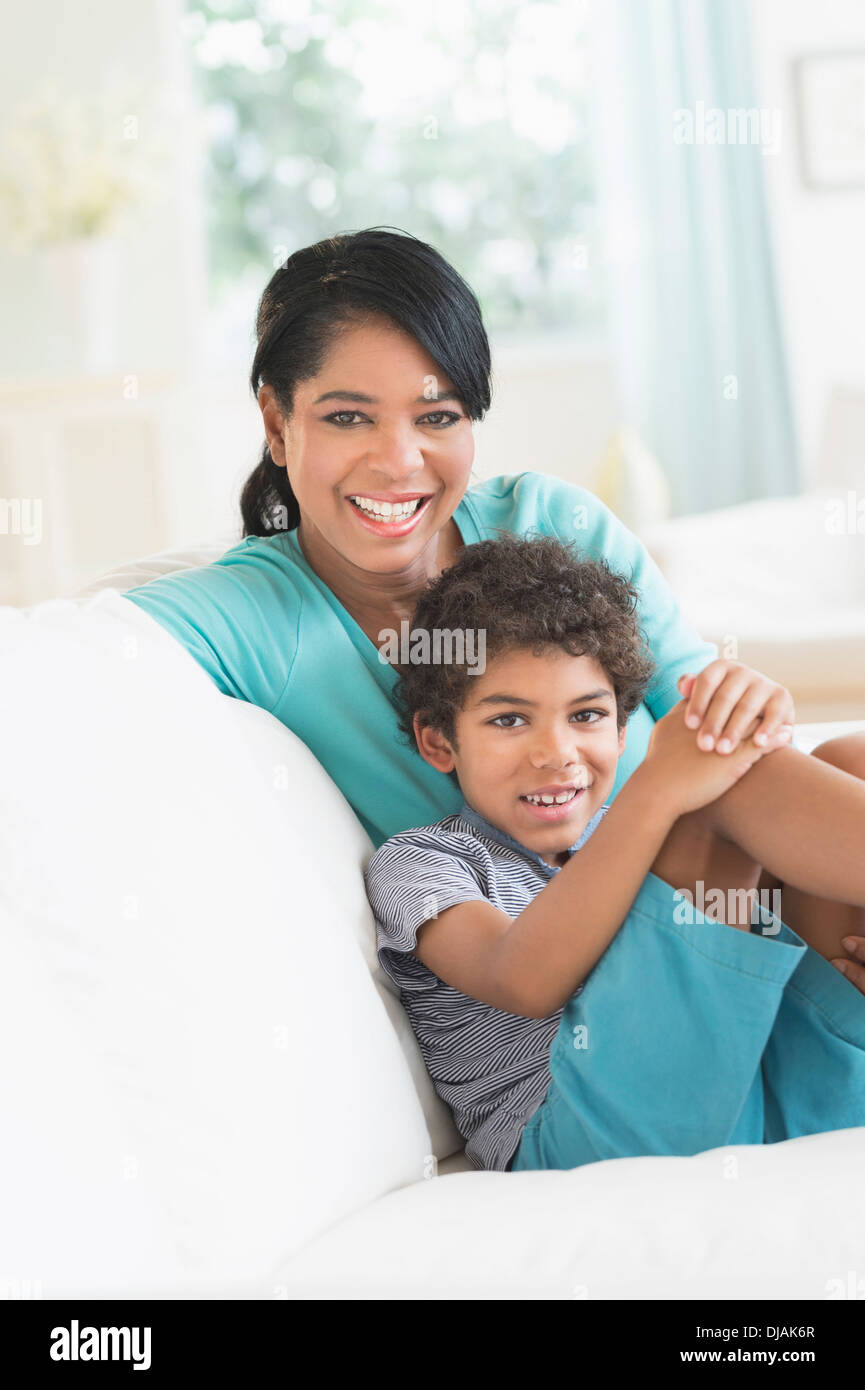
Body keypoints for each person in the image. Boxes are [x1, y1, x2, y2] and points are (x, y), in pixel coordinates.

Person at [119, 226, 865, 991]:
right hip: (610, 979)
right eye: (348, 417)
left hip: (741, 908)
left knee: (842, 755)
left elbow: (717, 725)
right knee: (713, 788)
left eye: (436, 417)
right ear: (277, 423)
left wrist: (741, 695)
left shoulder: (551, 520)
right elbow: (67, 651)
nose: (398, 461)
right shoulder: (248, 615)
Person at [363, 535, 865, 1172]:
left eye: (587, 716)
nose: (556, 753)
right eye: (509, 721)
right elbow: (520, 979)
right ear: (439, 744)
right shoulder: (423, 861)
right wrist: (657, 789)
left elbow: (753, 928)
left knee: (850, 756)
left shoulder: (645, 833)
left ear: (622, 731)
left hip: (762, 1087)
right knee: (715, 793)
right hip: (588, 1131)